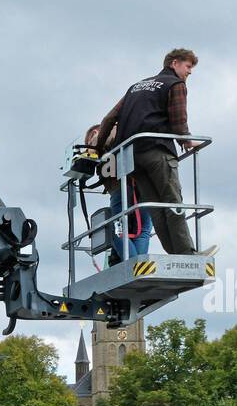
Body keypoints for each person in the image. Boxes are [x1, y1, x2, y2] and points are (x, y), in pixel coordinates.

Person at [94, 48, 214, 257]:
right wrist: (186, 140)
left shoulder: (136, 87)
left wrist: (96, 150)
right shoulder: (175, 84)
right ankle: (187, 254)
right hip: (157, 152)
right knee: (172, 203)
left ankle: (179, 254)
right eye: (188, 67)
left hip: (131, 157)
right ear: (174, 63)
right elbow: (179, 121)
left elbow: (108, 120)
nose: (189, 73)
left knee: (156, 208)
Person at [84, 123, 152, 266]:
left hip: (119, 189)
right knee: (143, 228)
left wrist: (93, 143)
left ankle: (134, 266)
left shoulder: (103, 137)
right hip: (142, 185)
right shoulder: (125, 132)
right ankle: (140, 265)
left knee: (116, 230)